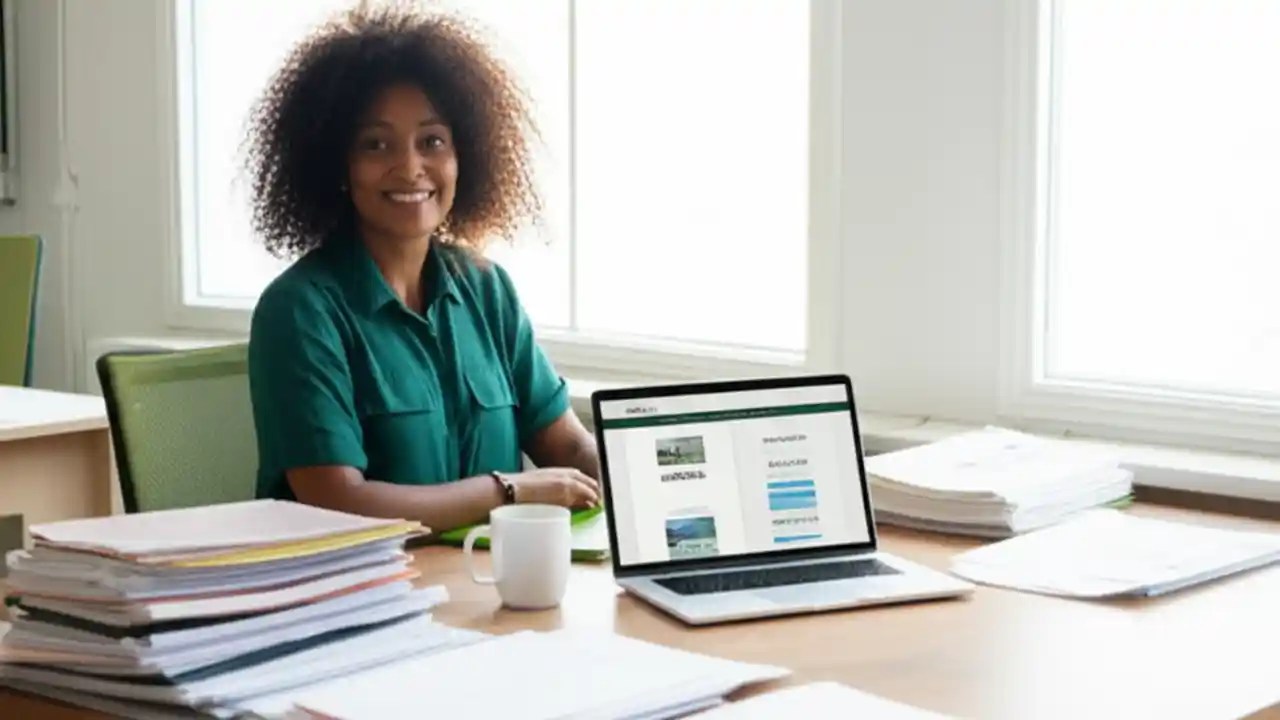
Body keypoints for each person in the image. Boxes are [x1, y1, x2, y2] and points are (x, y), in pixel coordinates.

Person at [243, 4, 599, 533]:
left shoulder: (487, 289)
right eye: (376, 144)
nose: (410, 168)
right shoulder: (299, 311)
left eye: (432, 141)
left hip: (483, 591)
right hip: (356, 599)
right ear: (336, 165)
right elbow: (337, 501)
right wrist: (509, 491)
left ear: (464, 157)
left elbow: (566, 444)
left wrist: (670, 484)